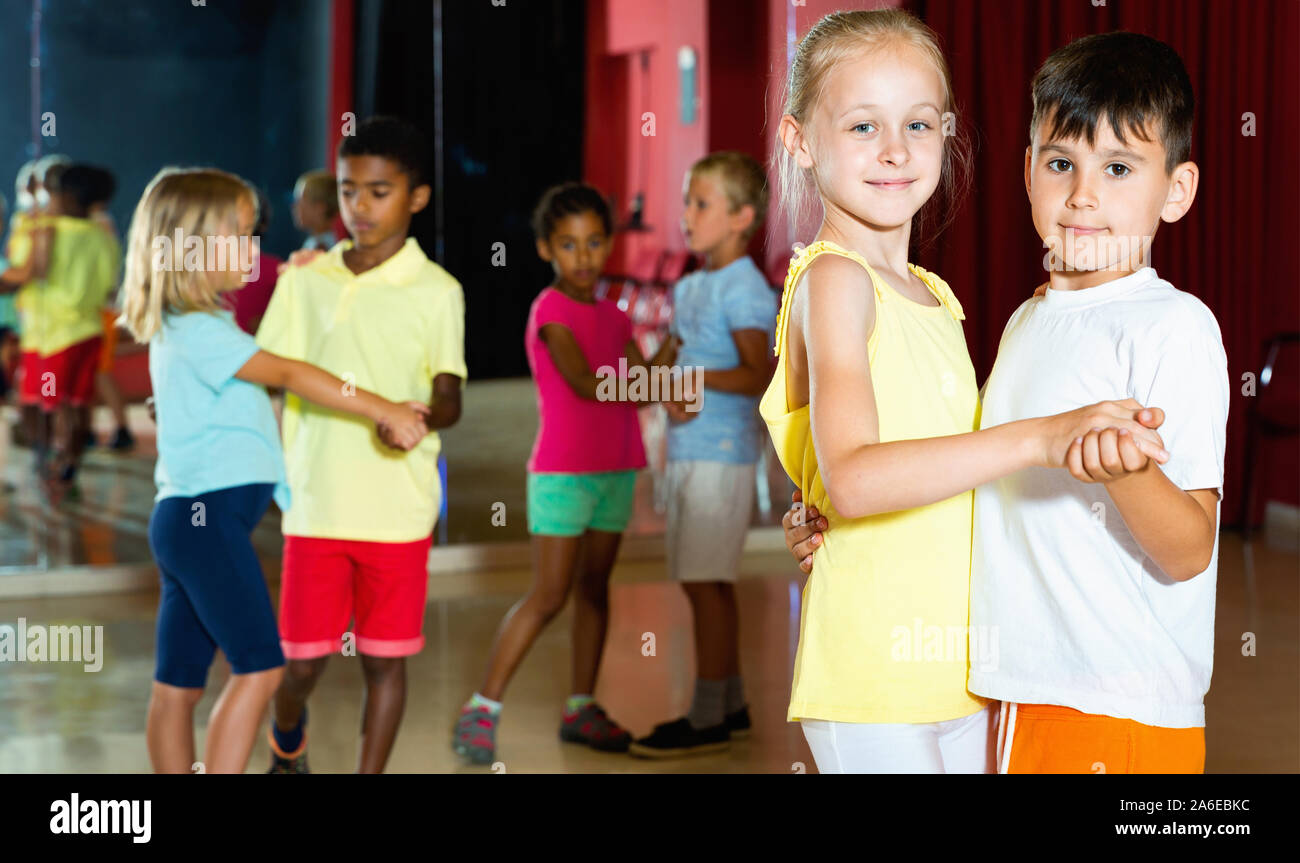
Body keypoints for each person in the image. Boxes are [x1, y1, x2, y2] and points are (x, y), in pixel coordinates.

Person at [782, 31, 1227, 775]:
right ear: (1027, 172)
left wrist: (1122, 471)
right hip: (1012, 690)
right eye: (1061, 164)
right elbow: (966, 472)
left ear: (1176, 190)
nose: (1084, 194)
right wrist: (827, 510)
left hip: (1118, 701)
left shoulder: (1175, 327)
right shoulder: (1026, 322)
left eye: (1118, 168)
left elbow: (1190, 549)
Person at [118, 166, 428, 773]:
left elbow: (254, 353)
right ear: (193, 248)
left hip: (185, 523)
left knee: (177, 687)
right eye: (241, 235)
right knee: (261, 668)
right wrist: (381, 406)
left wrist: (294, 276)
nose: (254, 250)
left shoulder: (192, 327)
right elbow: (287, 372)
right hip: (206, 525)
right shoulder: (201, 330)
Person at [258, 116, 467, 774]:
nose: (361, 207)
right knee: (300, 663)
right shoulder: (304, 282)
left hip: (397, 509)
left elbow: (451, 397)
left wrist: (419, 417)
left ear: (417, 197)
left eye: (380, 191)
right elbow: (271, 374)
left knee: (385, 658)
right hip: (316, 504)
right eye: (349, 190)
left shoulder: (438, 291)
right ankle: (286, 736)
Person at [452, 182, 680, 765]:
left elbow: (643, 384)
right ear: (546, 249)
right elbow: (586, 383)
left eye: (594, 242)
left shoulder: (614, 315)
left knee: (595, 590)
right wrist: (652, 382)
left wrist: (674, 352)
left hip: (617, 472)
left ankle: (582, 706)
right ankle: (483, 707)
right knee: (549, 594)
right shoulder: (550, 311)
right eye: (569, 245)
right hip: (562, 476)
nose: (584, 256)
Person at [629, 152, 776, 757]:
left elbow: (755, 376)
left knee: (705, 583)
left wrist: (693, 383)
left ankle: (708, 715)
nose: (686, 215)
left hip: (722, 457)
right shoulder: (691, 285)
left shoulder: (744, 288)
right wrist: (652, 376)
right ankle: (732, 703)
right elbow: (659, 370)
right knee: (702, 583)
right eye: (686, 202)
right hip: (687, 454)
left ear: (742, 217)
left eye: (701, 204)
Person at [291, 170, 339, 250]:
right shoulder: (313, 242)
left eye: (300, 201)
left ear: (320, 208)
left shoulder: (321, 248)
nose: (295, 207)